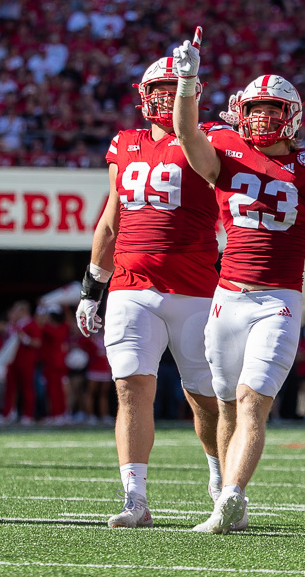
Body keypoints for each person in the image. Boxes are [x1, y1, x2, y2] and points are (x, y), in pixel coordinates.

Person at [173, 28, 305, 533]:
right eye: (253, 108)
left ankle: (232, 495)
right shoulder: (226, 148)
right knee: (227, 404)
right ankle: (224, 493)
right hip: (227, 297)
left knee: (255, 401)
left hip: (278, 299)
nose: (260, 117)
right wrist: (188, 81)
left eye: (271, 109)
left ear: (292, 115)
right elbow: (188, 137)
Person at [77, 55, 223, 528]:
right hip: (130, 286)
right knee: (131, 389)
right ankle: (134, 498)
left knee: (203, 396)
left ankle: (220, 478)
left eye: (172, 87)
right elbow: (110, 221)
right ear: (142, 96)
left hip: (195, 288)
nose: (164, 96)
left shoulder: (209, 138)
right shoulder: (125, 143)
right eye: (156, 88)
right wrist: (90, 288)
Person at [3, 300, 41, 425]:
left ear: (23, 311)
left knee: (27, 389)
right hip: (13, 361)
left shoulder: (31, 324)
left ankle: (27, 415)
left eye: (17, 310)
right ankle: (8, 413)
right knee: (10, 388)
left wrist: (25, 339)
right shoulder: (14, 325)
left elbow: (37, 342)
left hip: (26, 361)